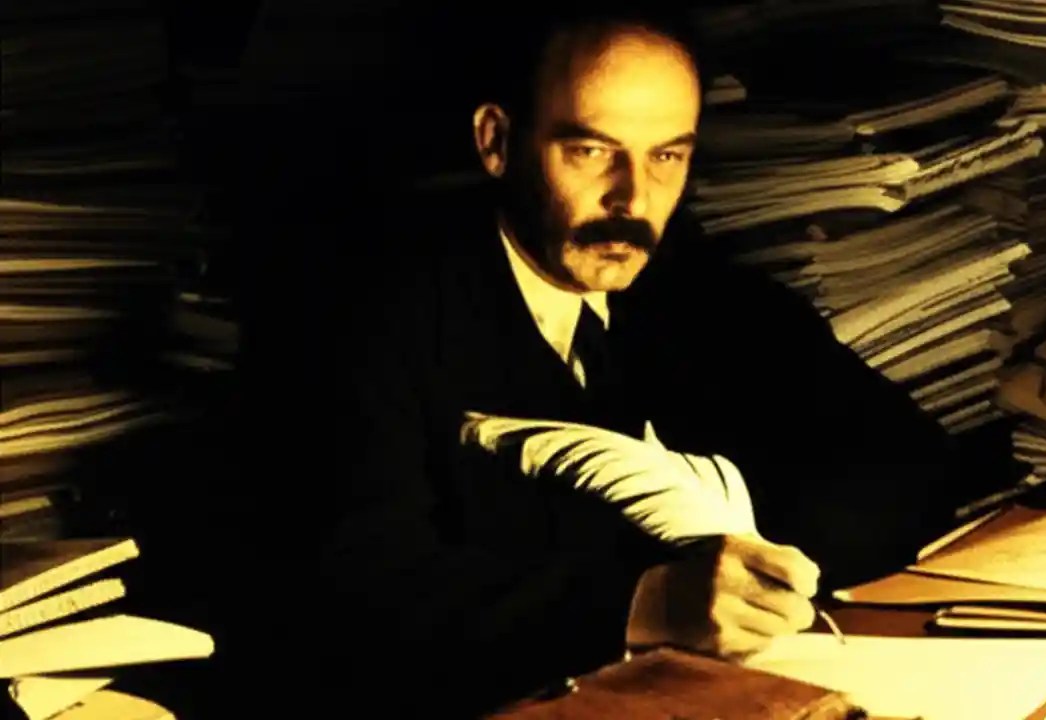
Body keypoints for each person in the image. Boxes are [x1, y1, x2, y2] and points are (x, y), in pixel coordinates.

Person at [221, 5, 980, 718]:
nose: (633, 197)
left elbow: (909, 461)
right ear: (496, 141)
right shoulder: (364, 319)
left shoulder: (697, 287)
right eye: (591, 150)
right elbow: (350, 594)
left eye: (667, 156)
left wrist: (746, 550)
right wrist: (640, 600)